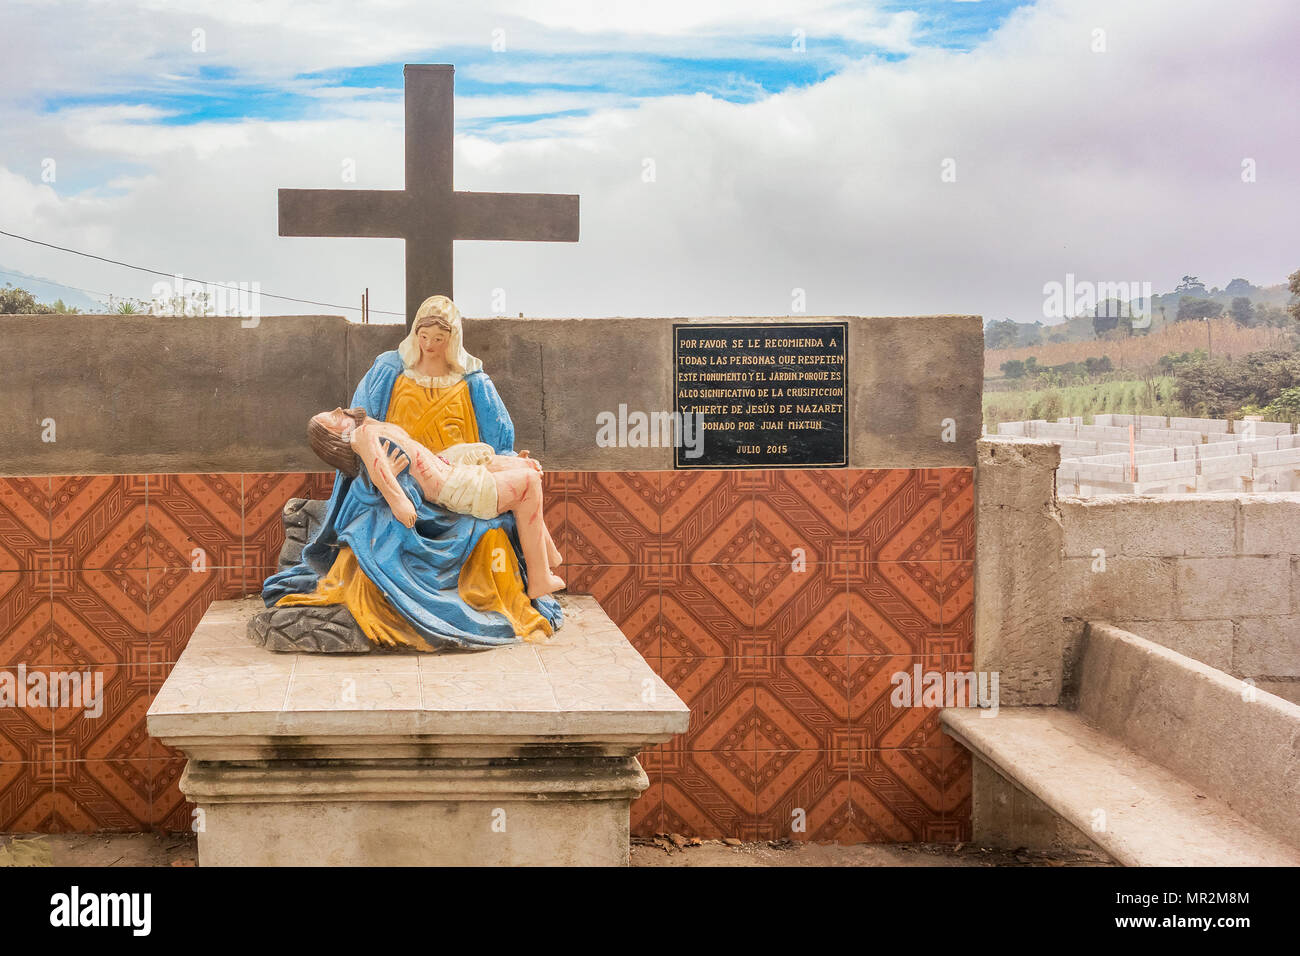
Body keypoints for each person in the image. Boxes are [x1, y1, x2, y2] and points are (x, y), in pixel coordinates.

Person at [263, 295, 563, 651]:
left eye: (440, 338)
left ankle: (539, 570)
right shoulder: (387, 374)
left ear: (454, 338)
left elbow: (498, 442)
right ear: (415, 333)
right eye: (425, 336)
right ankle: (541, 571)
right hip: (425, 485)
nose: (431, 345)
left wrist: (509, 458)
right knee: (513, 492)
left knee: (510, 490)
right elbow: (369, 464)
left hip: (451, 463)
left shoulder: (475, 383)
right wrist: (395, 490)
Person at [307, 405, 565, 599]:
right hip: (448, 485)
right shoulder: (360, 436)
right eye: (333, 418)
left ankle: (549, 555)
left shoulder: (369, 426)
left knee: (522, 465)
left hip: (447, 464)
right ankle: (539, 578)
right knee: (529, 483)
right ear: (334, 438)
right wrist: (399, 502)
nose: (340, 409)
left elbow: (388, 459)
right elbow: (377, 468)